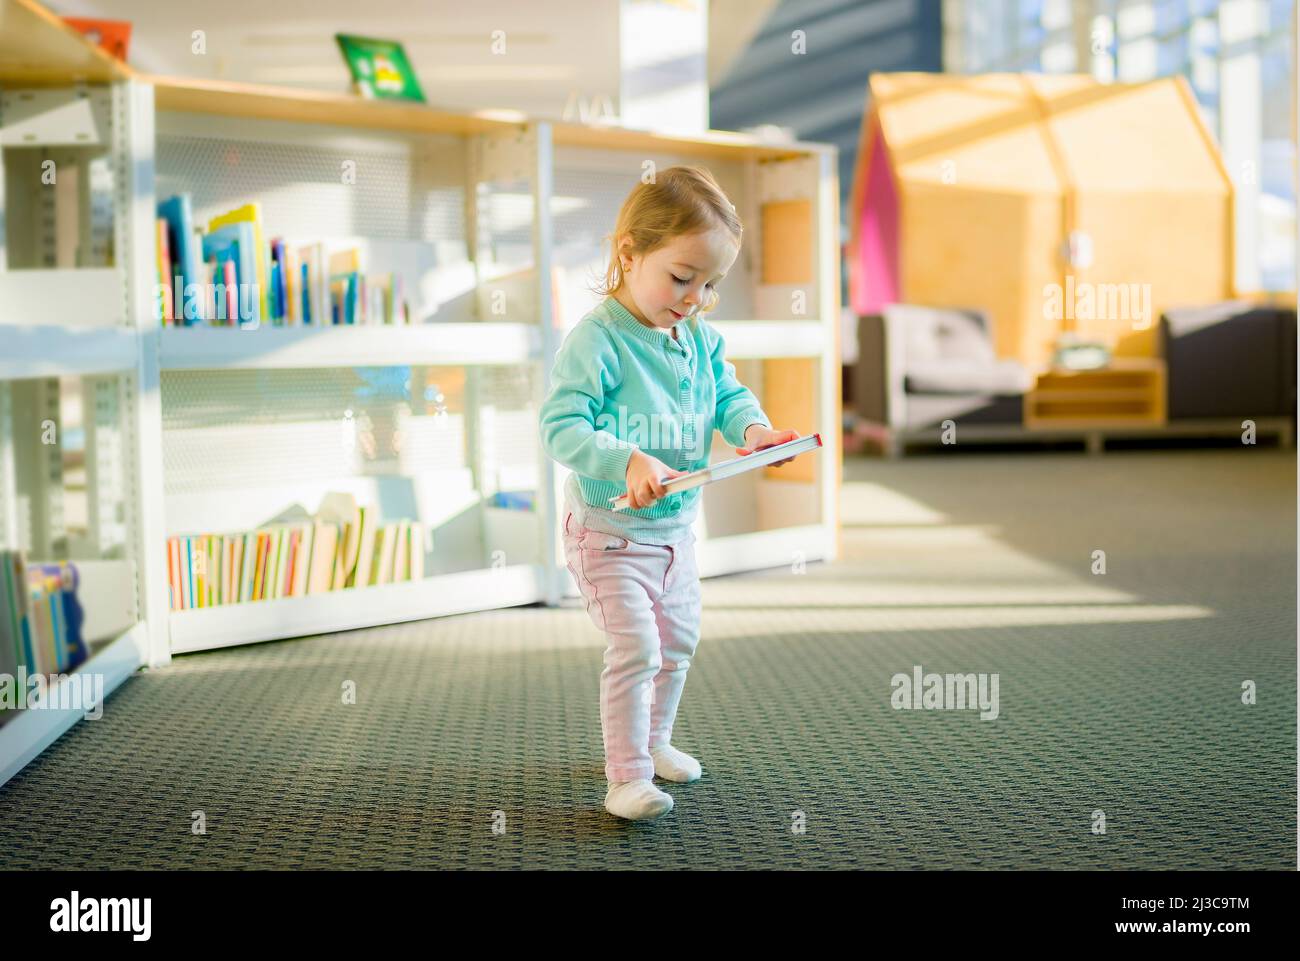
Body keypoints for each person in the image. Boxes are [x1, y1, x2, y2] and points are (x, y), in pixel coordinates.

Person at [538, 165, 800, 820]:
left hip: (676, 532)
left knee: (677, 642)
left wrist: (754, 430)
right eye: (682, 277)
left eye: (710, 284)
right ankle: (625, 777)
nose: (694, 297)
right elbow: (560, 427)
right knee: (638, 647)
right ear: (628, 252)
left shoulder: (700, 338)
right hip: (608, 530)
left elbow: (730, 398)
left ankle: (653, 744)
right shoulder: (598, 340)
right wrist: (624, 458)